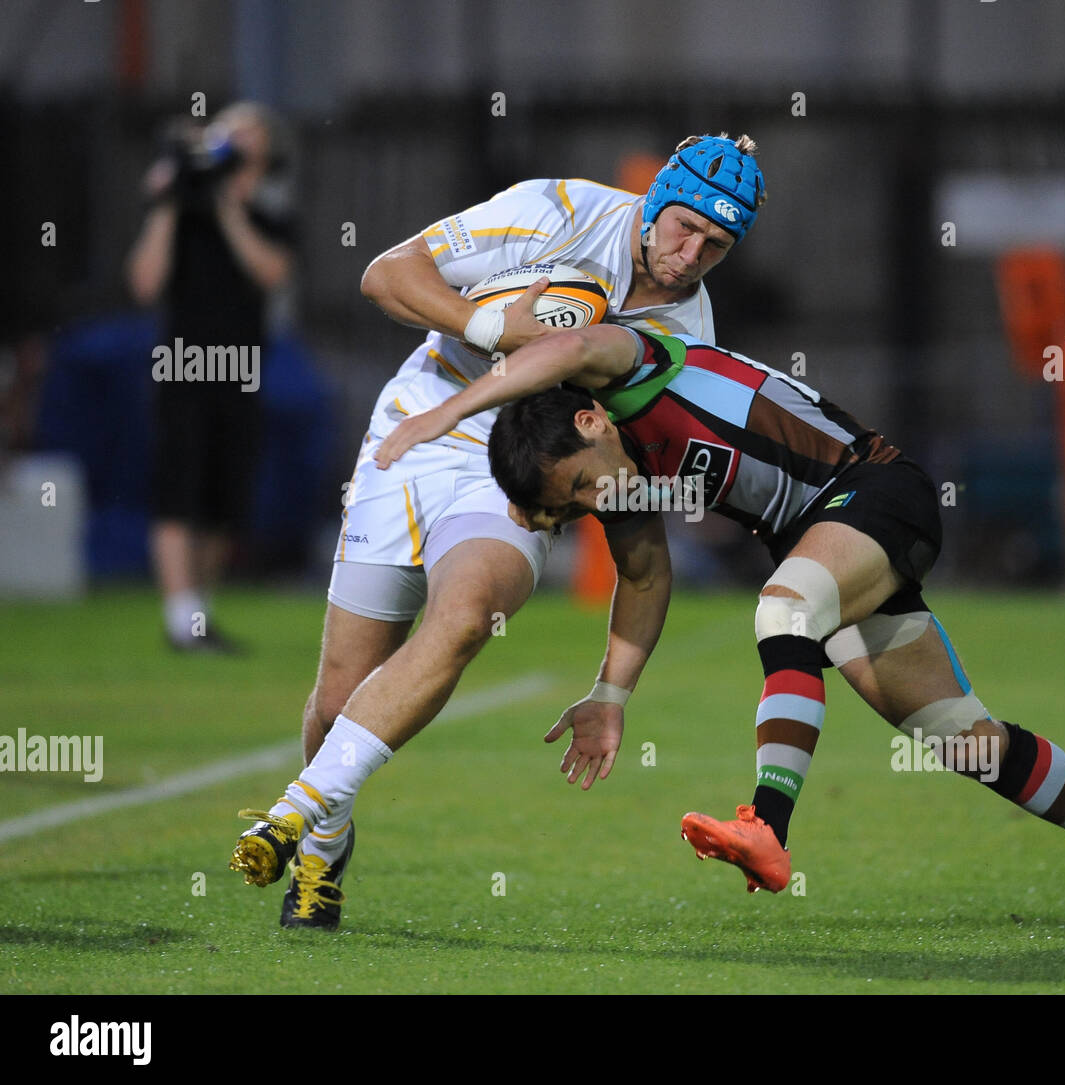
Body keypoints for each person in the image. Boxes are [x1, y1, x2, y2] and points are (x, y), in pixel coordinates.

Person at [374, 321, 1065, 943]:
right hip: (827, 543)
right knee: (965, 740)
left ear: (591, 420)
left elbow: (571, 344)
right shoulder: (622, 477)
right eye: (576, 505)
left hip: (876, 490)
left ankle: (769, 825)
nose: (595, 501)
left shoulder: (631, 366)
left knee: (784, 609)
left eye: (583, 485)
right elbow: (646, 578)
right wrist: (609, 695)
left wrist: (449, 411)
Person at [228, 134, 766, 930]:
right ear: (656, 201)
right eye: (685, 227)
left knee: (469, 612)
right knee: (340, 698)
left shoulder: (689, 344)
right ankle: (326, 839)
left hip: (519, 466)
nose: (691, 256)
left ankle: (291, 812)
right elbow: (386, 274)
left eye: (716, 245)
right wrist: (488, 328)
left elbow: (644, 555)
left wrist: (611, 693)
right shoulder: (557, 211)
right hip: (421, 421)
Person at [126, 102, 296, 652]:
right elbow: (144, 284)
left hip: (240, 368)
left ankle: (196, 614)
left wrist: (228, 205)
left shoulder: (266, 215)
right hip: (181, 364)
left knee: (225, 498)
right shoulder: (182, 215)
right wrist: (170, 200)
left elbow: (271, 271)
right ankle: (181, 616)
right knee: (177, 487)